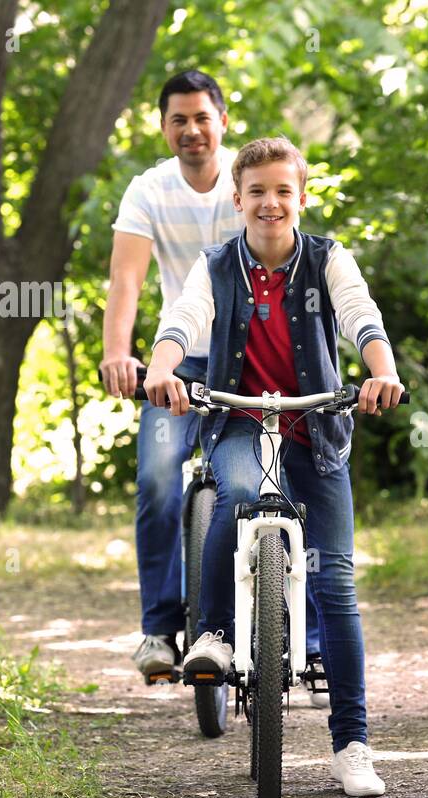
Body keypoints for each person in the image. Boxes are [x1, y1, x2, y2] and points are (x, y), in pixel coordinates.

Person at [143, 136, 404, 797]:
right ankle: (215, 636)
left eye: (283, 191)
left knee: (337, 585)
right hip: (238, 421)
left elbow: (359, 316)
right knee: (230, 495)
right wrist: (162, 369)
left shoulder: (326, 260)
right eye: (257, 191)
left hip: (312, 429)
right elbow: (185, 317)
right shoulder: (217, 265)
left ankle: (351, 744)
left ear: (301, 198)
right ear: (237, 199)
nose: (270, 203)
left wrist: (383, 372)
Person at [100, 71, 328, 704]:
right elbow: (127, 281)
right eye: (179, 119)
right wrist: (120, 353)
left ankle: (303, 638)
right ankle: (159, 630)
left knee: (283, 483)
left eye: (203, 117)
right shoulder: (148, 191)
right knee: (155, 477)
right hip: (182, 363)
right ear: (164, 128)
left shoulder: (253, 182)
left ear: (223, 121)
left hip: (256, 364)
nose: (192, 130)